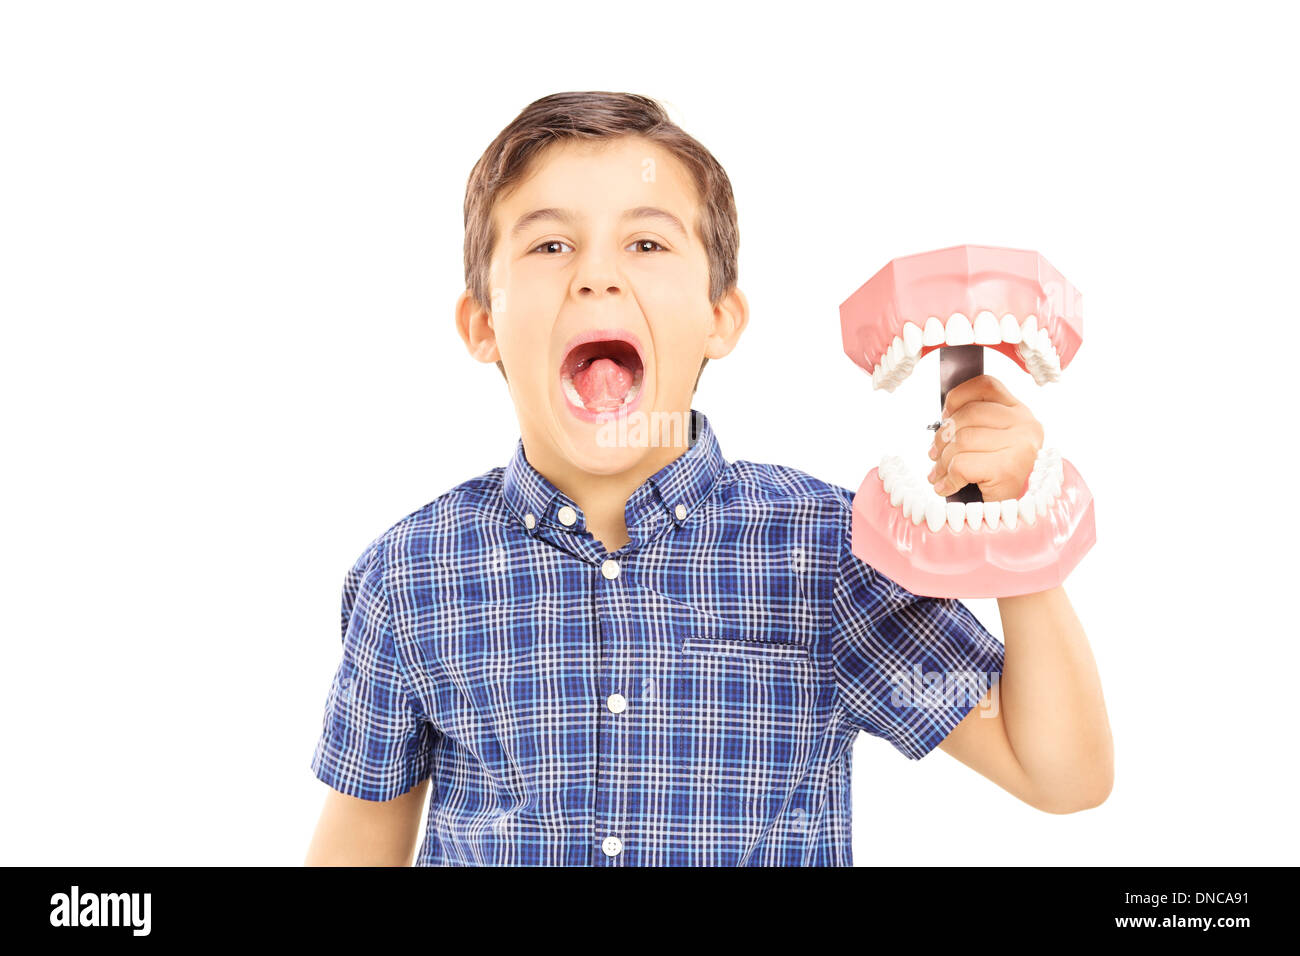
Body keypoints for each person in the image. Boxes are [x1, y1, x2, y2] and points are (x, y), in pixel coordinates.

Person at [304, 91, 1112, 866]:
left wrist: (1019, 515)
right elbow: (355, 851)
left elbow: (1060, 775)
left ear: (721, 317)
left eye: (647, 244)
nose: (596, 277)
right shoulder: (410, 575)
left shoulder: (826, 551)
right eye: (550, 245)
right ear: (483, 324)